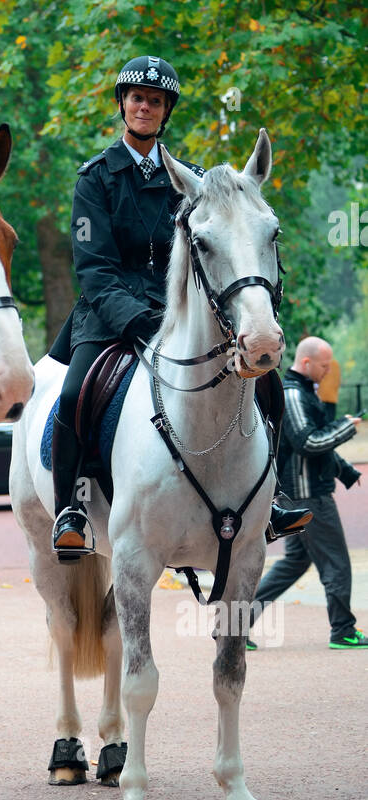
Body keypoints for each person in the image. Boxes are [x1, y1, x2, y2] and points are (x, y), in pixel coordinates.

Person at [48, 53, 310, 559]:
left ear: (166, 111)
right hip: (109, 314)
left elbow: (216, 252)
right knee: (76, 393)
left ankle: (272, 495)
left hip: (185, 316)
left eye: (155, 101)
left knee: (268, 381)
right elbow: (94, 268)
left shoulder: (192, 179)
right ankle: (70, 509)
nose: (144, 106)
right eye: (137, 98)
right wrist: (137, 319)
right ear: (122, 104)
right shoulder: (95, 179)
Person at [247, 337, 365, 649]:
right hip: (309, 495)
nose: (329, 371)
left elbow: (316, 448)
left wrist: (347, 471)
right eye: (325, 365)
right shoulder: (295, 395)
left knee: (295, 562)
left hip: (303, 491)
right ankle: (343, 630)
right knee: (337, 563)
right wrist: (346, 427)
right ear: (308, 363)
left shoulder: (302, 394)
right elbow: (308, 442)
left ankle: (235, 625)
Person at [317, 353, 341, 425]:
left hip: (321, 397)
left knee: (322, 422)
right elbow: (338, 380)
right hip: (332, 397)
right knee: (330, 421)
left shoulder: (321, 363)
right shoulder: (335, 364)